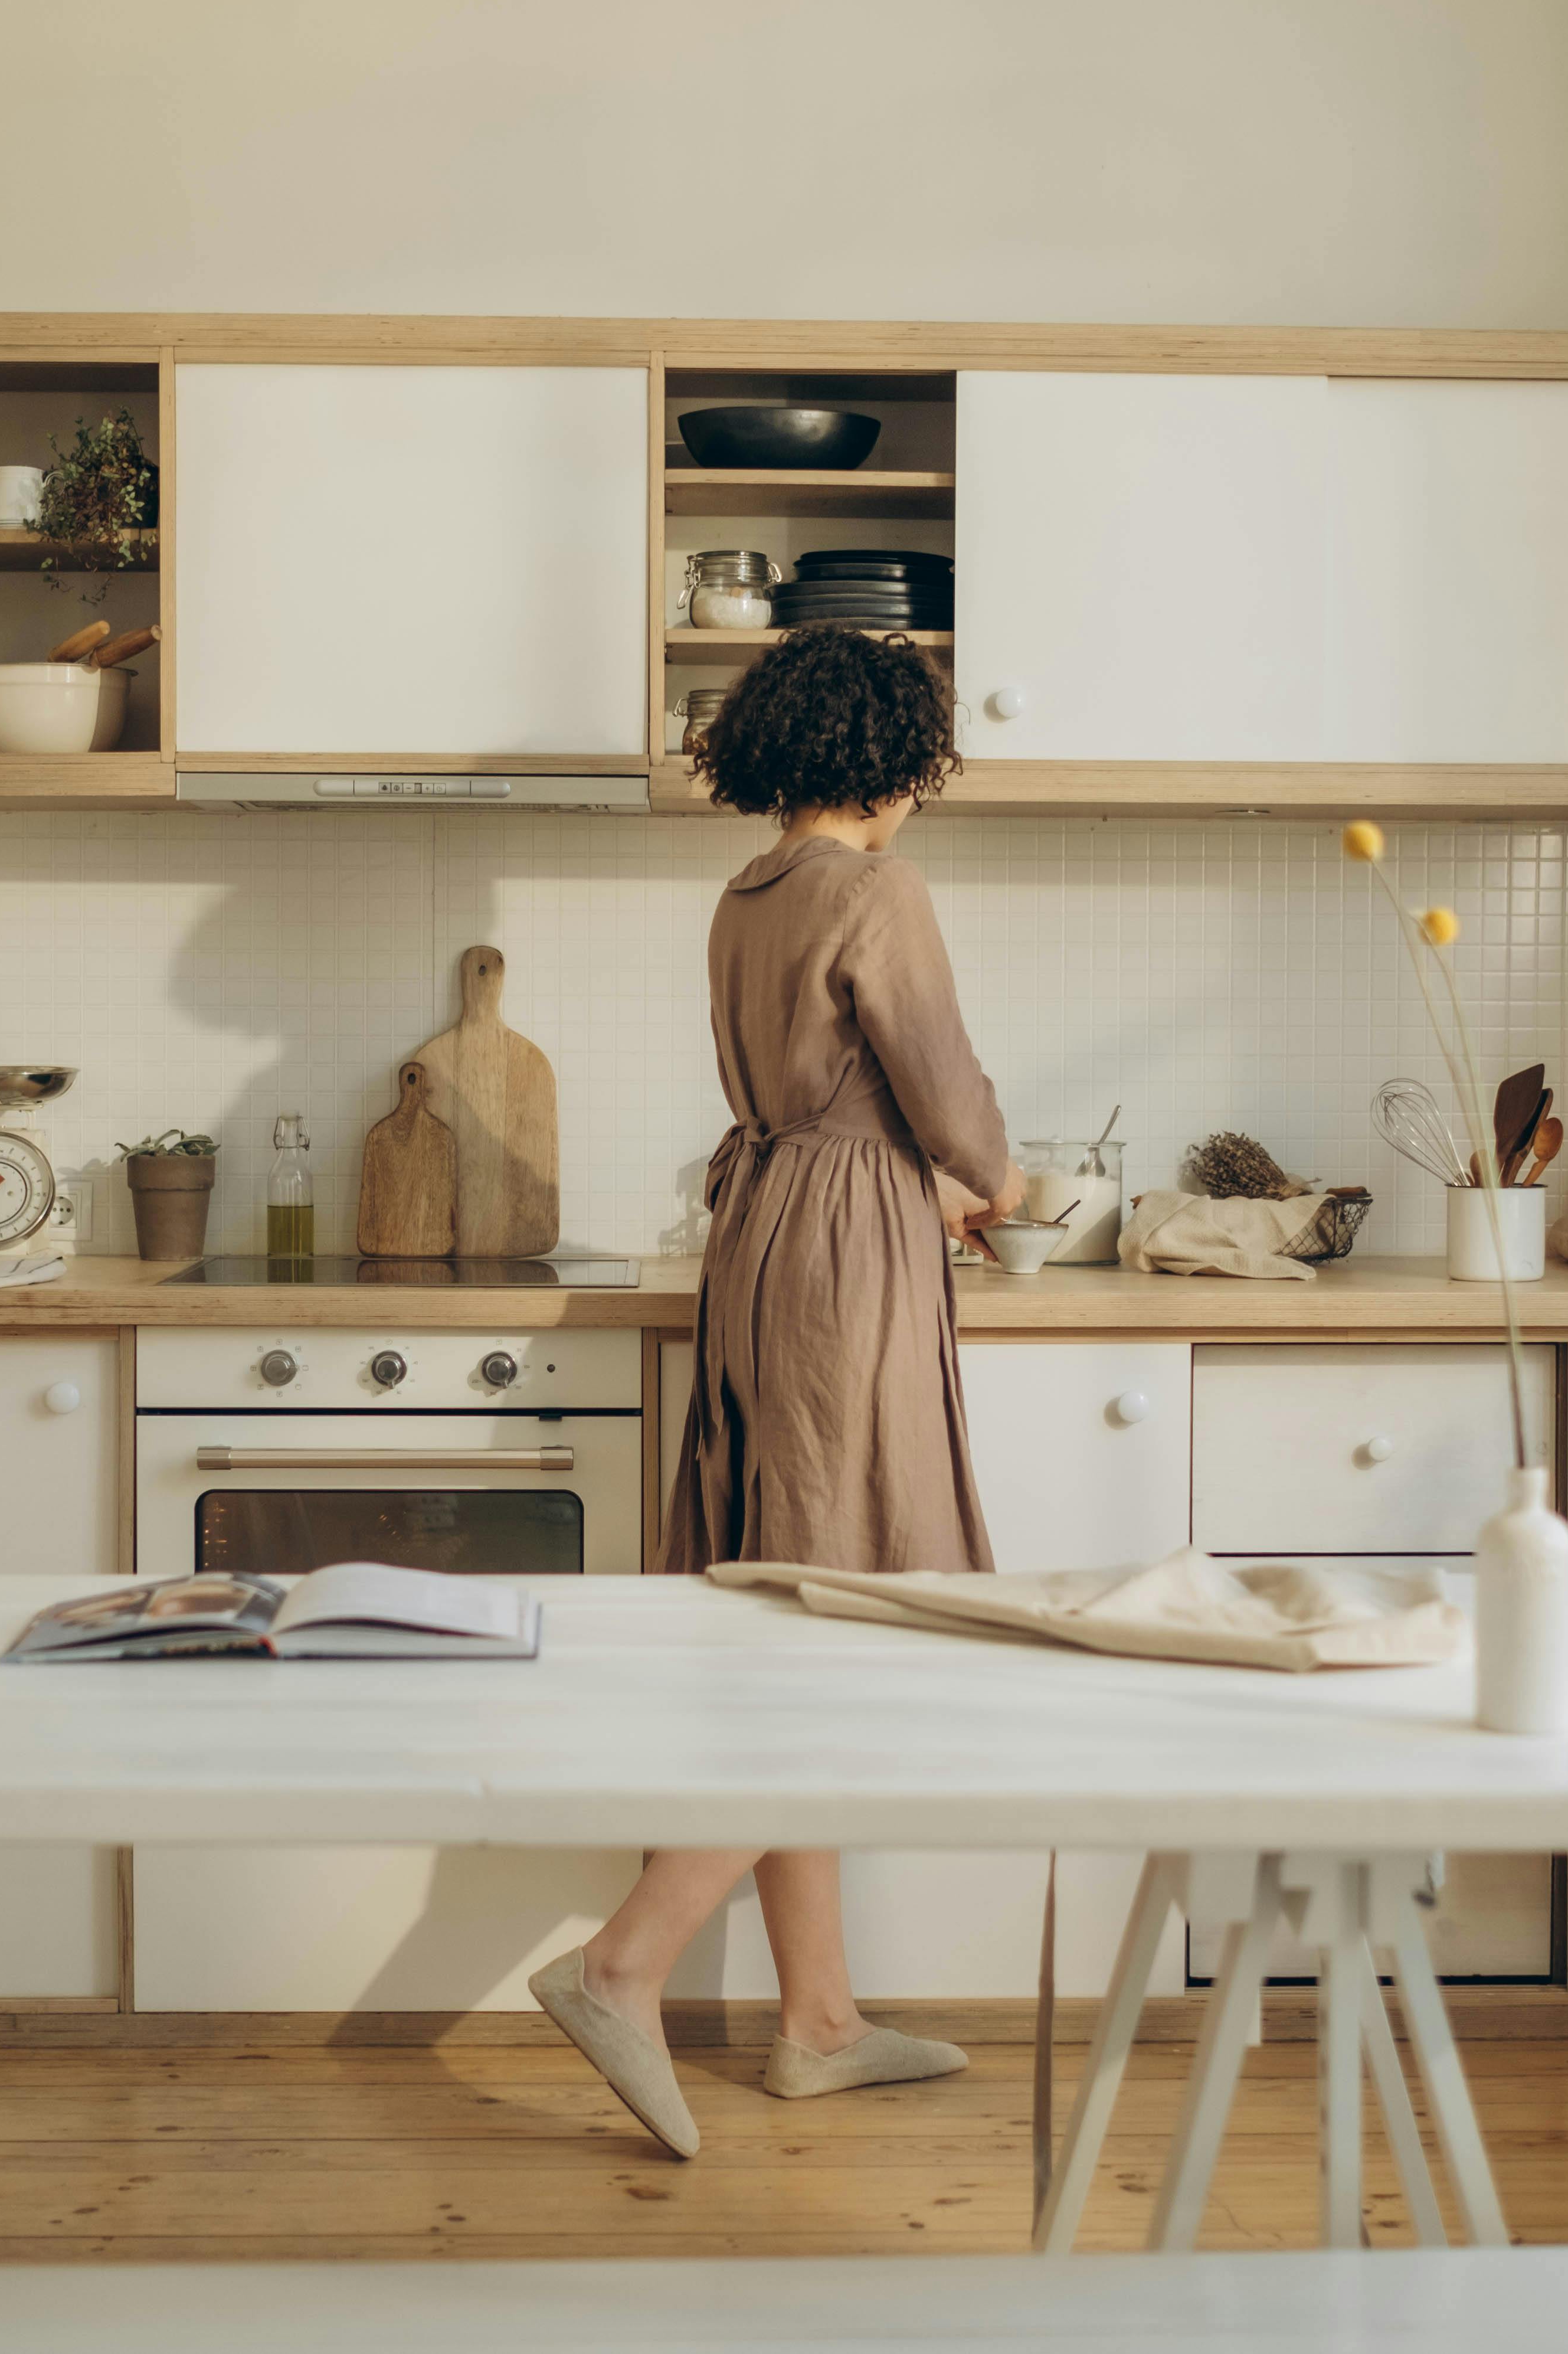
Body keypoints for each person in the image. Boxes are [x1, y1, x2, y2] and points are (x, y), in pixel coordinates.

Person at [528, 627, 1024, 2160]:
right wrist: (996, 1181)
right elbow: (941, 1088)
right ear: (896, 758)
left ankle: (816, 2021)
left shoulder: (745, 893)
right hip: (842, 1265)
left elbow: (820, 1098)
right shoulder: (876, 887)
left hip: (764, 1243)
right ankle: (624, 1960)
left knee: (788, 1623)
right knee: (856, 1621)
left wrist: (899, 1180)